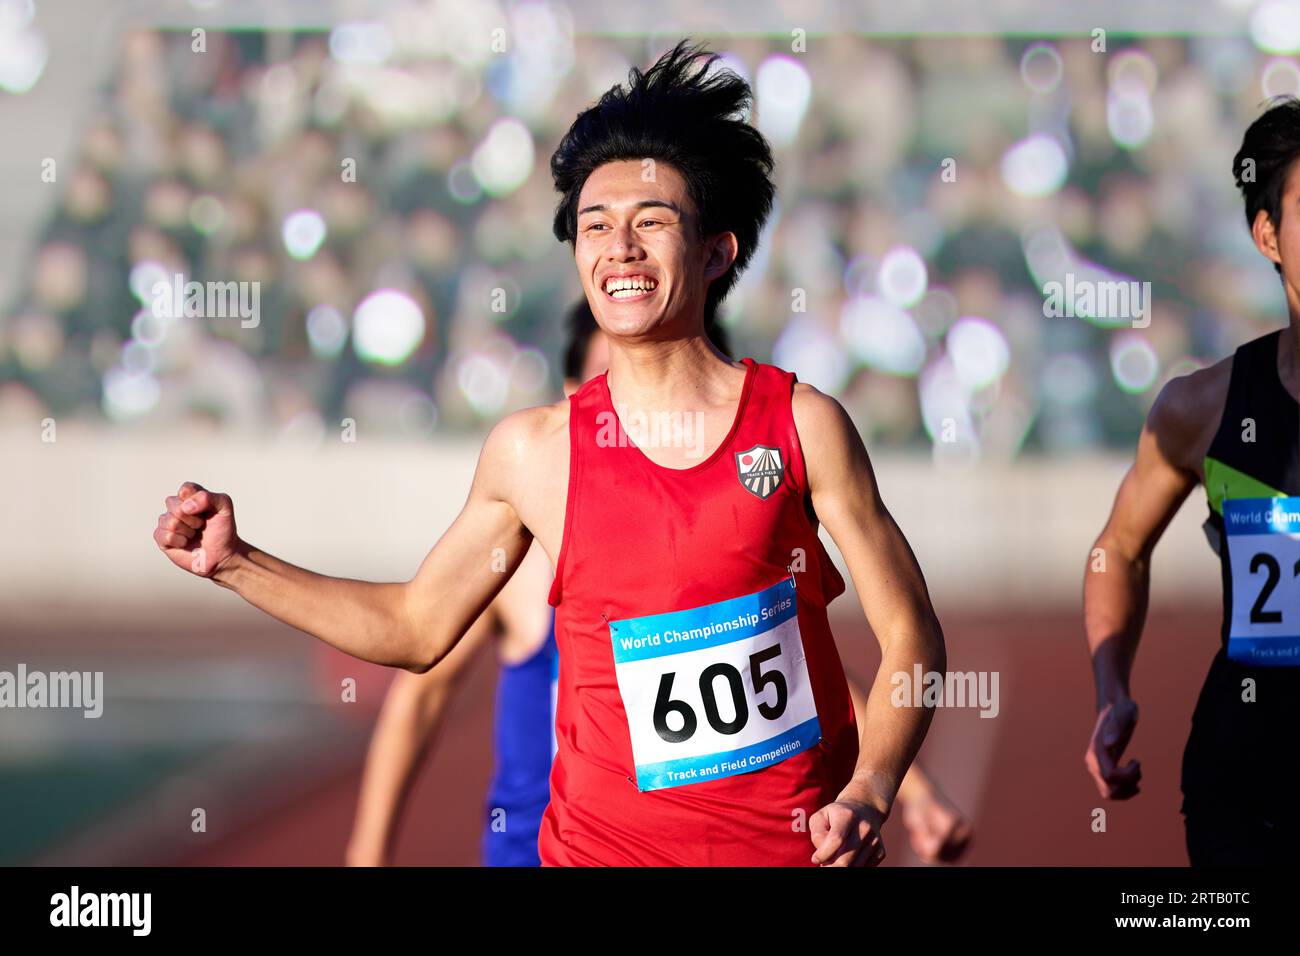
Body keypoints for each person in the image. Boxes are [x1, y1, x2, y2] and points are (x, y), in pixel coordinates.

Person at [153, 39, 946, 867]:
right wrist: (237, 561)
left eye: (652, 223)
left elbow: (914, 639)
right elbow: (416, 627)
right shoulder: (536, 454)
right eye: (596, 227)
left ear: (718, 251)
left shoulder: (802, 426)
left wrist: (871, 788)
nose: (620, 249)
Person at [345, 301, 973, 867]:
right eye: (608, 379)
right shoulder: (507, 564)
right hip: (545, 846)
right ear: (570, 396)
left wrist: (894, 786)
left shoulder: (744, 506)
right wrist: (367, 852)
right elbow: (419, 679)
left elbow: (811, 673)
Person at [1083, 97, 1300, 865]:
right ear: (1267, 235)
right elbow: (1119, 549)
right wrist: (1113, 688)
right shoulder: (1201, 408)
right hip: (1247, 781)